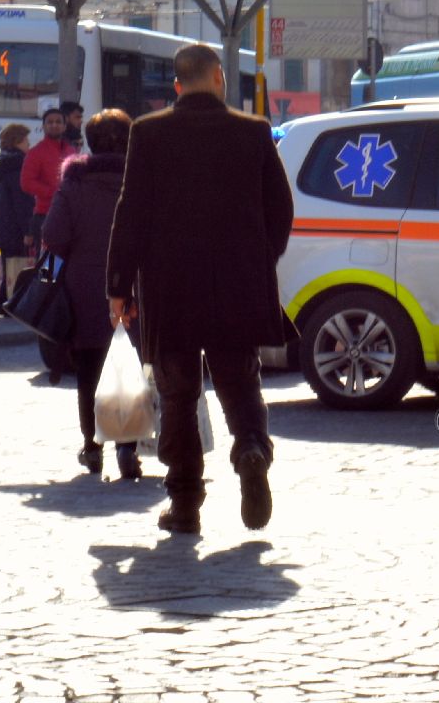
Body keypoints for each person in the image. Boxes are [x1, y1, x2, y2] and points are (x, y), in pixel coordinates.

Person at [108, 45, 294, 535]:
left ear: (176, 85)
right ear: (219, 78)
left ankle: (185, 503)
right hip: (238, 283)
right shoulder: (253, 131)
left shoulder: (148, 132)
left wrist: (118, 286)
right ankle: (251, 448)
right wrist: (260, 259)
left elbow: (131, 212)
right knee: (240, 381)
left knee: (178, 394)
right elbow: (280, 209)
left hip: (170, 286)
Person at [42, 109, 142, 481]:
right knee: (128, 368)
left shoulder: (74, 183)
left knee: (89, 371)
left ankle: (93, 447)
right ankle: (127, 447)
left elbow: (54, 235)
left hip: (84, 290)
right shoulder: (143, 179)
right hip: (133, 288)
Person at [0, 123, 34, 310]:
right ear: (17, 141)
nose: (29, 144)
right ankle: (10, 304)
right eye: (26, 140)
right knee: (17, 265)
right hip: (14, 226)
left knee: (8, 265)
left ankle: (4, 303)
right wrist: (28, 230)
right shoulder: (17, 165)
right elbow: (22, 201)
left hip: (0, 224)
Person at [19, 107, 75, 253]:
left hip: (70, 214)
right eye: (50, 122)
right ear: (43, 127)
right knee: (48, 259)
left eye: (58, 122)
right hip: (45, 214)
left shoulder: (71, 151)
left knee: (67, 257)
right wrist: (53, 192)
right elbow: (26, 183)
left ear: (64, 126)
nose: (54, 125)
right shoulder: (36, 152)